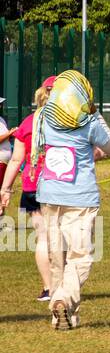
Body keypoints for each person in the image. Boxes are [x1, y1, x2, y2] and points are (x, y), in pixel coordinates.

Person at [33, 71, 110, 330]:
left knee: (57, 257)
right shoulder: (89, 122)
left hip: (50, 195)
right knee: (80, 256)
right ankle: (63, 299)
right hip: (81, 197)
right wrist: (96, 114)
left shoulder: (43, 117)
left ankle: (62, 314)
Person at [0, 77, 56, 301]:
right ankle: (62, 285)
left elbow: (16, 159)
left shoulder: (28, 122)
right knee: (62, 236)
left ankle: (49, 288)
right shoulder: (68, 122)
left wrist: (5, 189)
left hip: (33, 185)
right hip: (61, 185)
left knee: (43, 237)